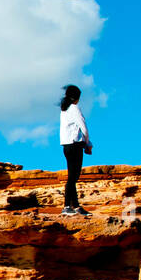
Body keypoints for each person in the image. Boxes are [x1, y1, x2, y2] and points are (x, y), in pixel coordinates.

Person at [59, 84, 92, 216]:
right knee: (73, 177)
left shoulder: (64, 110)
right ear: (77, 97)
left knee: (72, 176)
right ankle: (67, 206)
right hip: (75, 145)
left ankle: (76, 206)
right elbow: (83, 126)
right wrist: (88, 144)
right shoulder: (74, 108)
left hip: (66, 145)